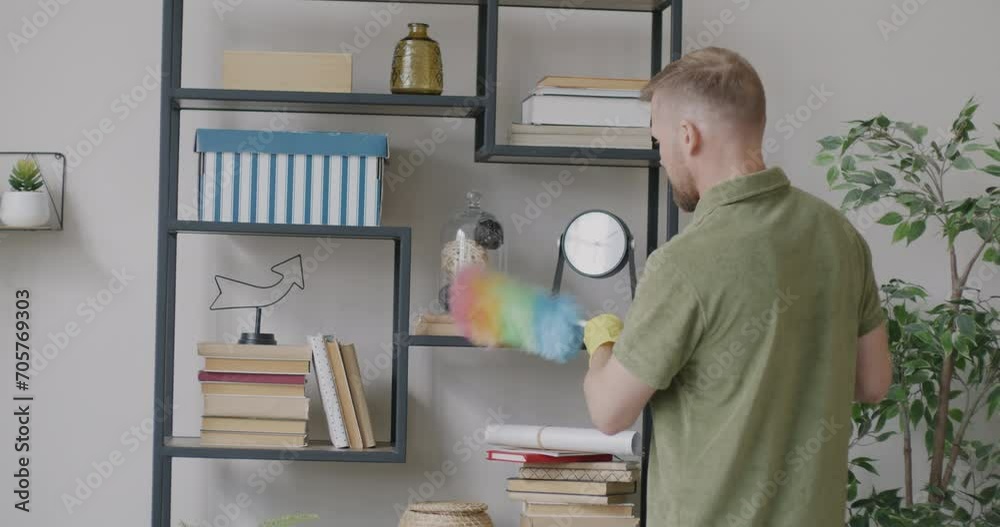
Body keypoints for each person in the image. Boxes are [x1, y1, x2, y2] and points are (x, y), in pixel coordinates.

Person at [581, 47, 892, 526]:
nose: (662, 157)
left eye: (659, 140)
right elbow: (873, 384)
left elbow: (608, 412)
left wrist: (602, 341)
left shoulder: (683, 263)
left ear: (688, 137)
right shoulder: (839, 235)